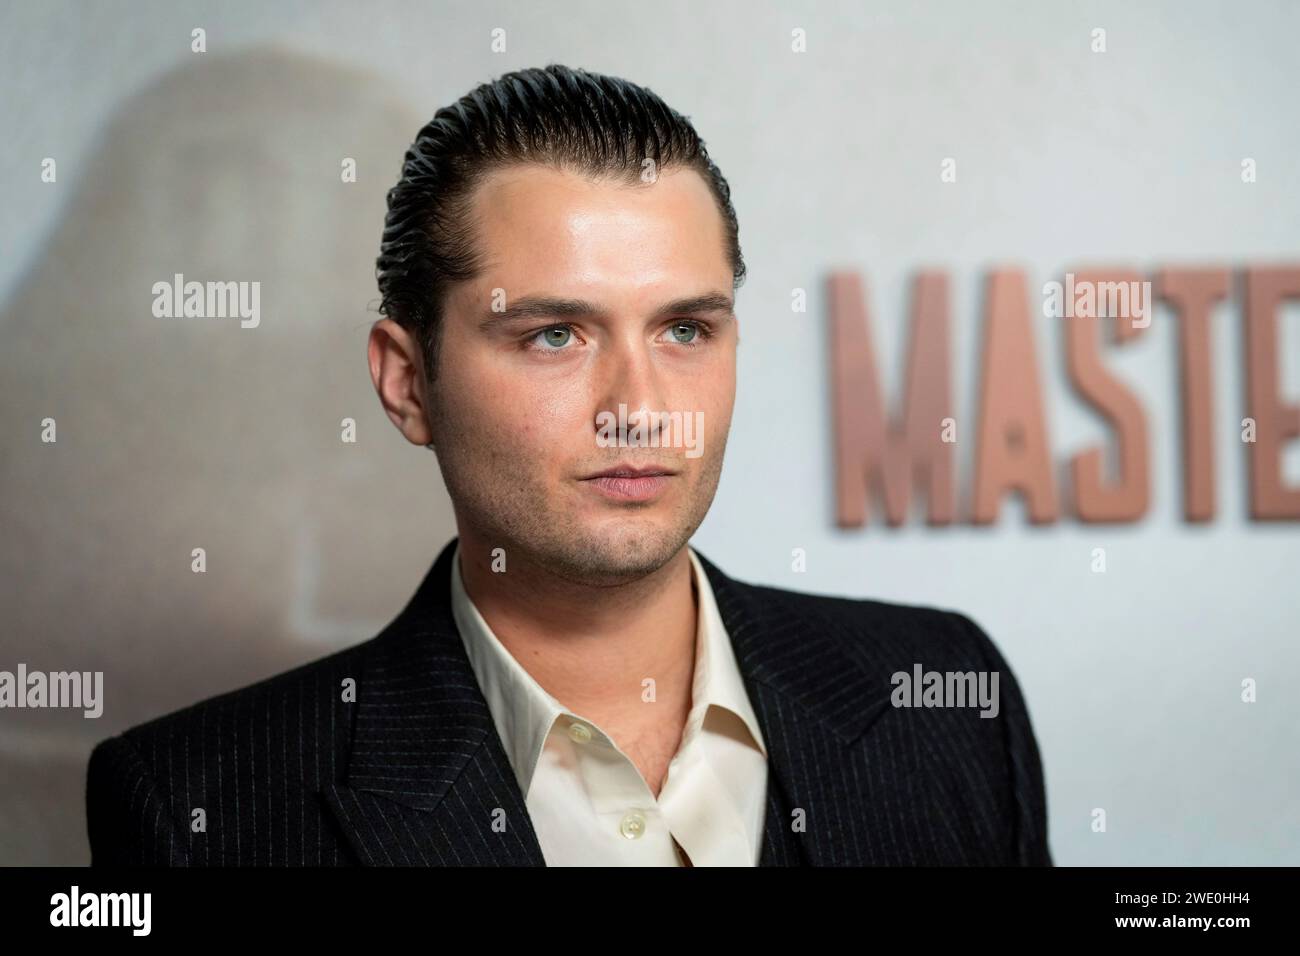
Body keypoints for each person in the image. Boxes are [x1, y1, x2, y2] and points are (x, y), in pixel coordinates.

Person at [86, 63, 1050, 866]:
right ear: (407, 382)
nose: (639, 412)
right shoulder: (202, 809)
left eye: (684, 328)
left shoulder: (946, 701)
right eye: (554, 335)